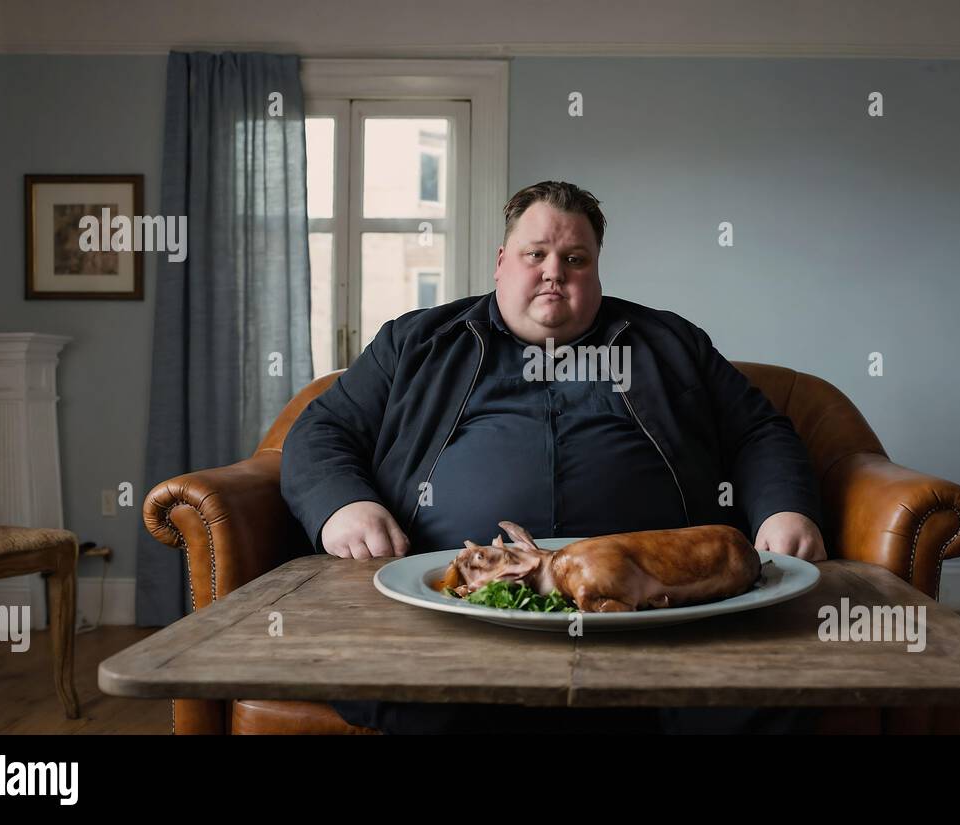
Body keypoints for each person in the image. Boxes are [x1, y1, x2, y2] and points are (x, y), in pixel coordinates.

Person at [280, 180, 825, 734]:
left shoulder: (672, 344)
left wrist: (784, 508)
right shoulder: (415, 342)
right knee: (407, 696)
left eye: (575, 258)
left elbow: (759, 430)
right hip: (455, 615)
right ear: (501, 262)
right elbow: (322, 429)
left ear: (597, 269)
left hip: (659, 614)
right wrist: (342, 504)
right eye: (535, 254)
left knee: (764, 696)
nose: (553, 271)